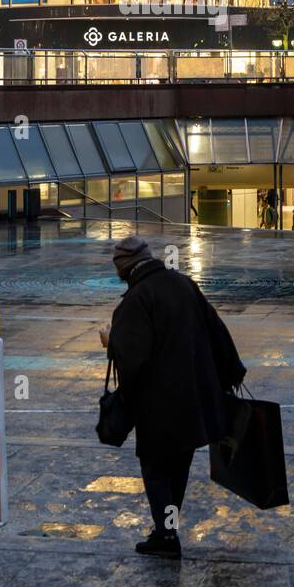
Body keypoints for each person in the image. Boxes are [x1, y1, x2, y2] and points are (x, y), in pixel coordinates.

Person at [99, 235, 246, 559]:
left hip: (159, 402)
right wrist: (233, 372)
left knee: (154, 466)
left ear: (125, 267)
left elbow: (133, 356)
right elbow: (216, 329)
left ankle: (166, 536)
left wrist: (110, 341)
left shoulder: (136, 299)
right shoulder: (183, 284)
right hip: (194, 397)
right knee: (179, 464)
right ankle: (167, 530)